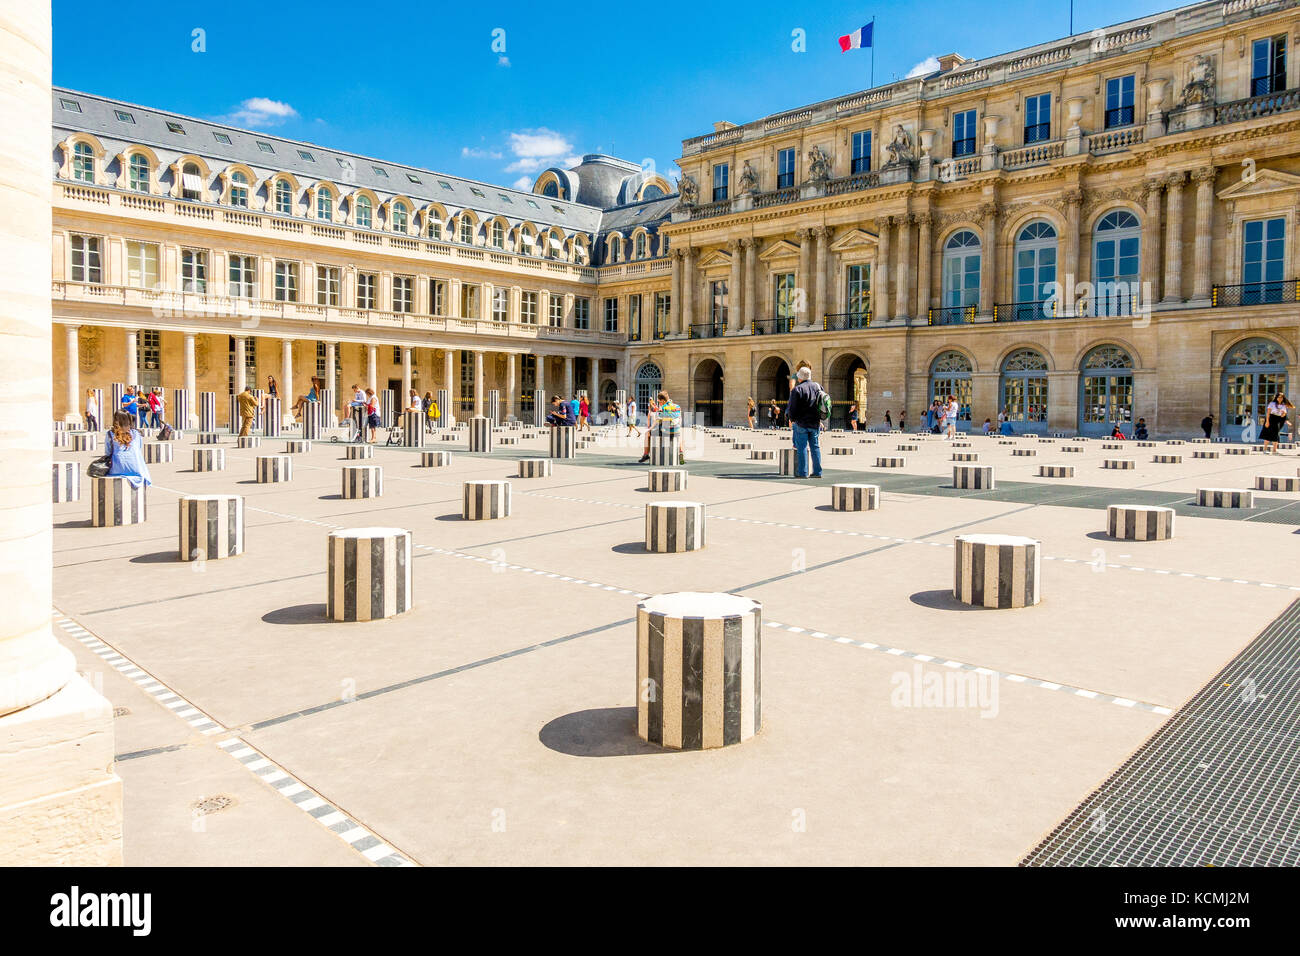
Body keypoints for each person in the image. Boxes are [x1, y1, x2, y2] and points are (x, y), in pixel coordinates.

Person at [785, 366, 824, 479]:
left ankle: (803, 472)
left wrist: (792, 419)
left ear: (800, 377)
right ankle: (817, 472)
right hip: (815, 422)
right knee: (815, 447)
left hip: (801, 423)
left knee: (802, 447)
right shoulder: (818, 387)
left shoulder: (798, 389)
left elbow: (792, 407)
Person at [104, 411, 151, 488]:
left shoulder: (110, 434)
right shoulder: (135, 434)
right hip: (137, 469)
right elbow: (138, 448)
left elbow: (108, 452)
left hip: (116, 470)